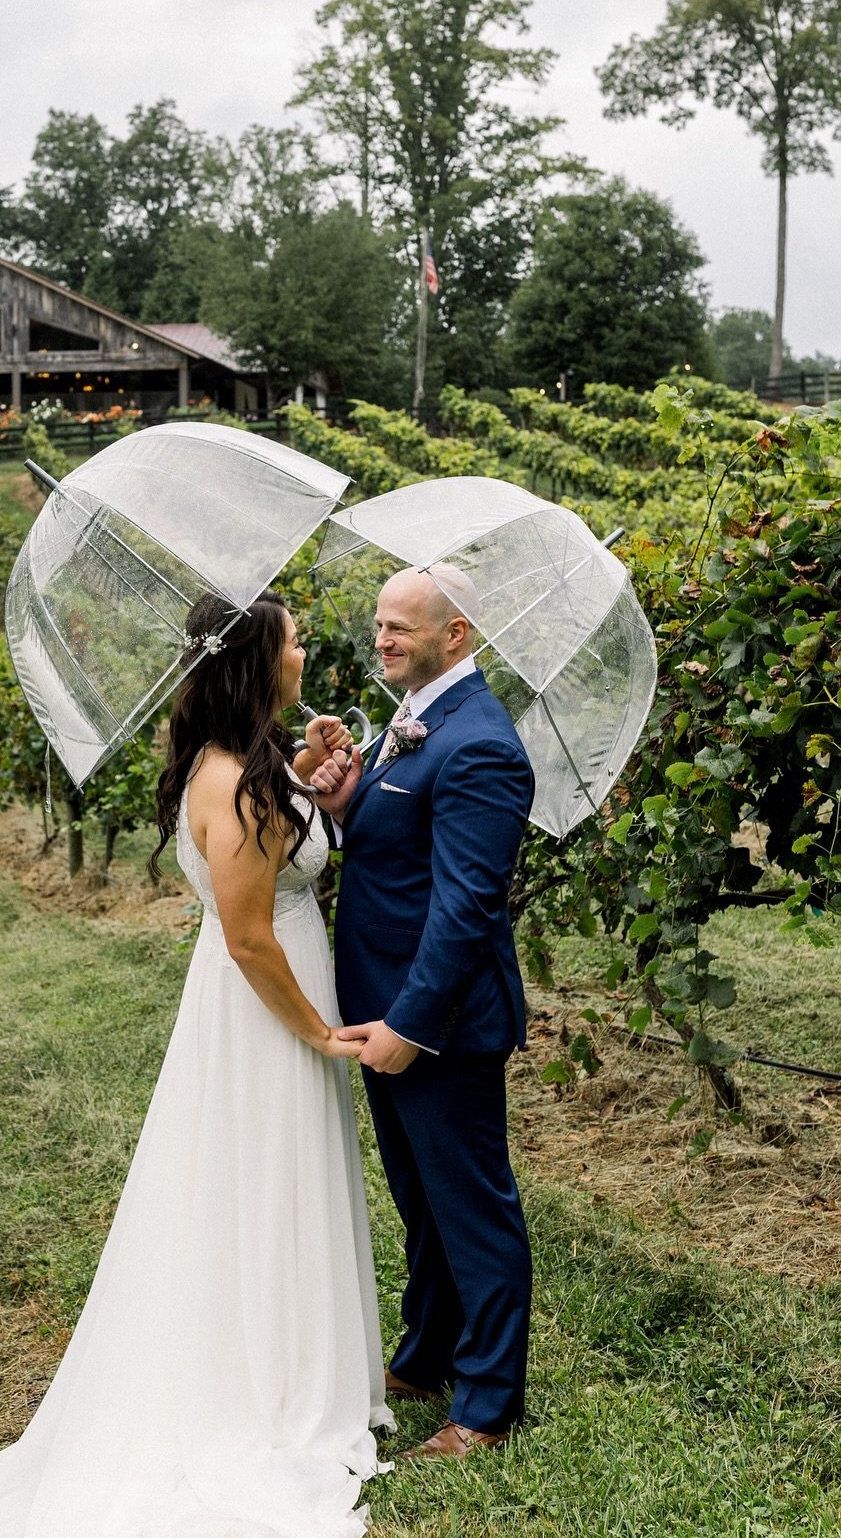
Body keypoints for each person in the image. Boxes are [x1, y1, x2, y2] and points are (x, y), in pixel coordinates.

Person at [0, 591, 391, 1538]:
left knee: (270, 1179)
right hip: (265, 1004)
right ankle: (270, 1390)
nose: (306, 649)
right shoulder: (235, 782)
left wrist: (313, 775)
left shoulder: (252, 765)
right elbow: (246, 935)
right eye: (293, 641)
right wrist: (317, 1031)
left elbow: (278, 860)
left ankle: (294, 1363)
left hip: (271, 988)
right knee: (264, 1178)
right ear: (256, 663)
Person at [307, 565, 536, 1459]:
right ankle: (428, 1353)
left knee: (472, 1208)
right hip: (381, 1010)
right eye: (379, 626)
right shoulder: (416, 725)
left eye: (403, 627)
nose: (383, 640)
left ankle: (486, 1404)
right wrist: (344, 807)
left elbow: (466, 905)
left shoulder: (479, 743)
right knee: (421, 1201)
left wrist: (411, 1025)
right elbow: (393, 852)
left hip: (436, 1022)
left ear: (458, 634)